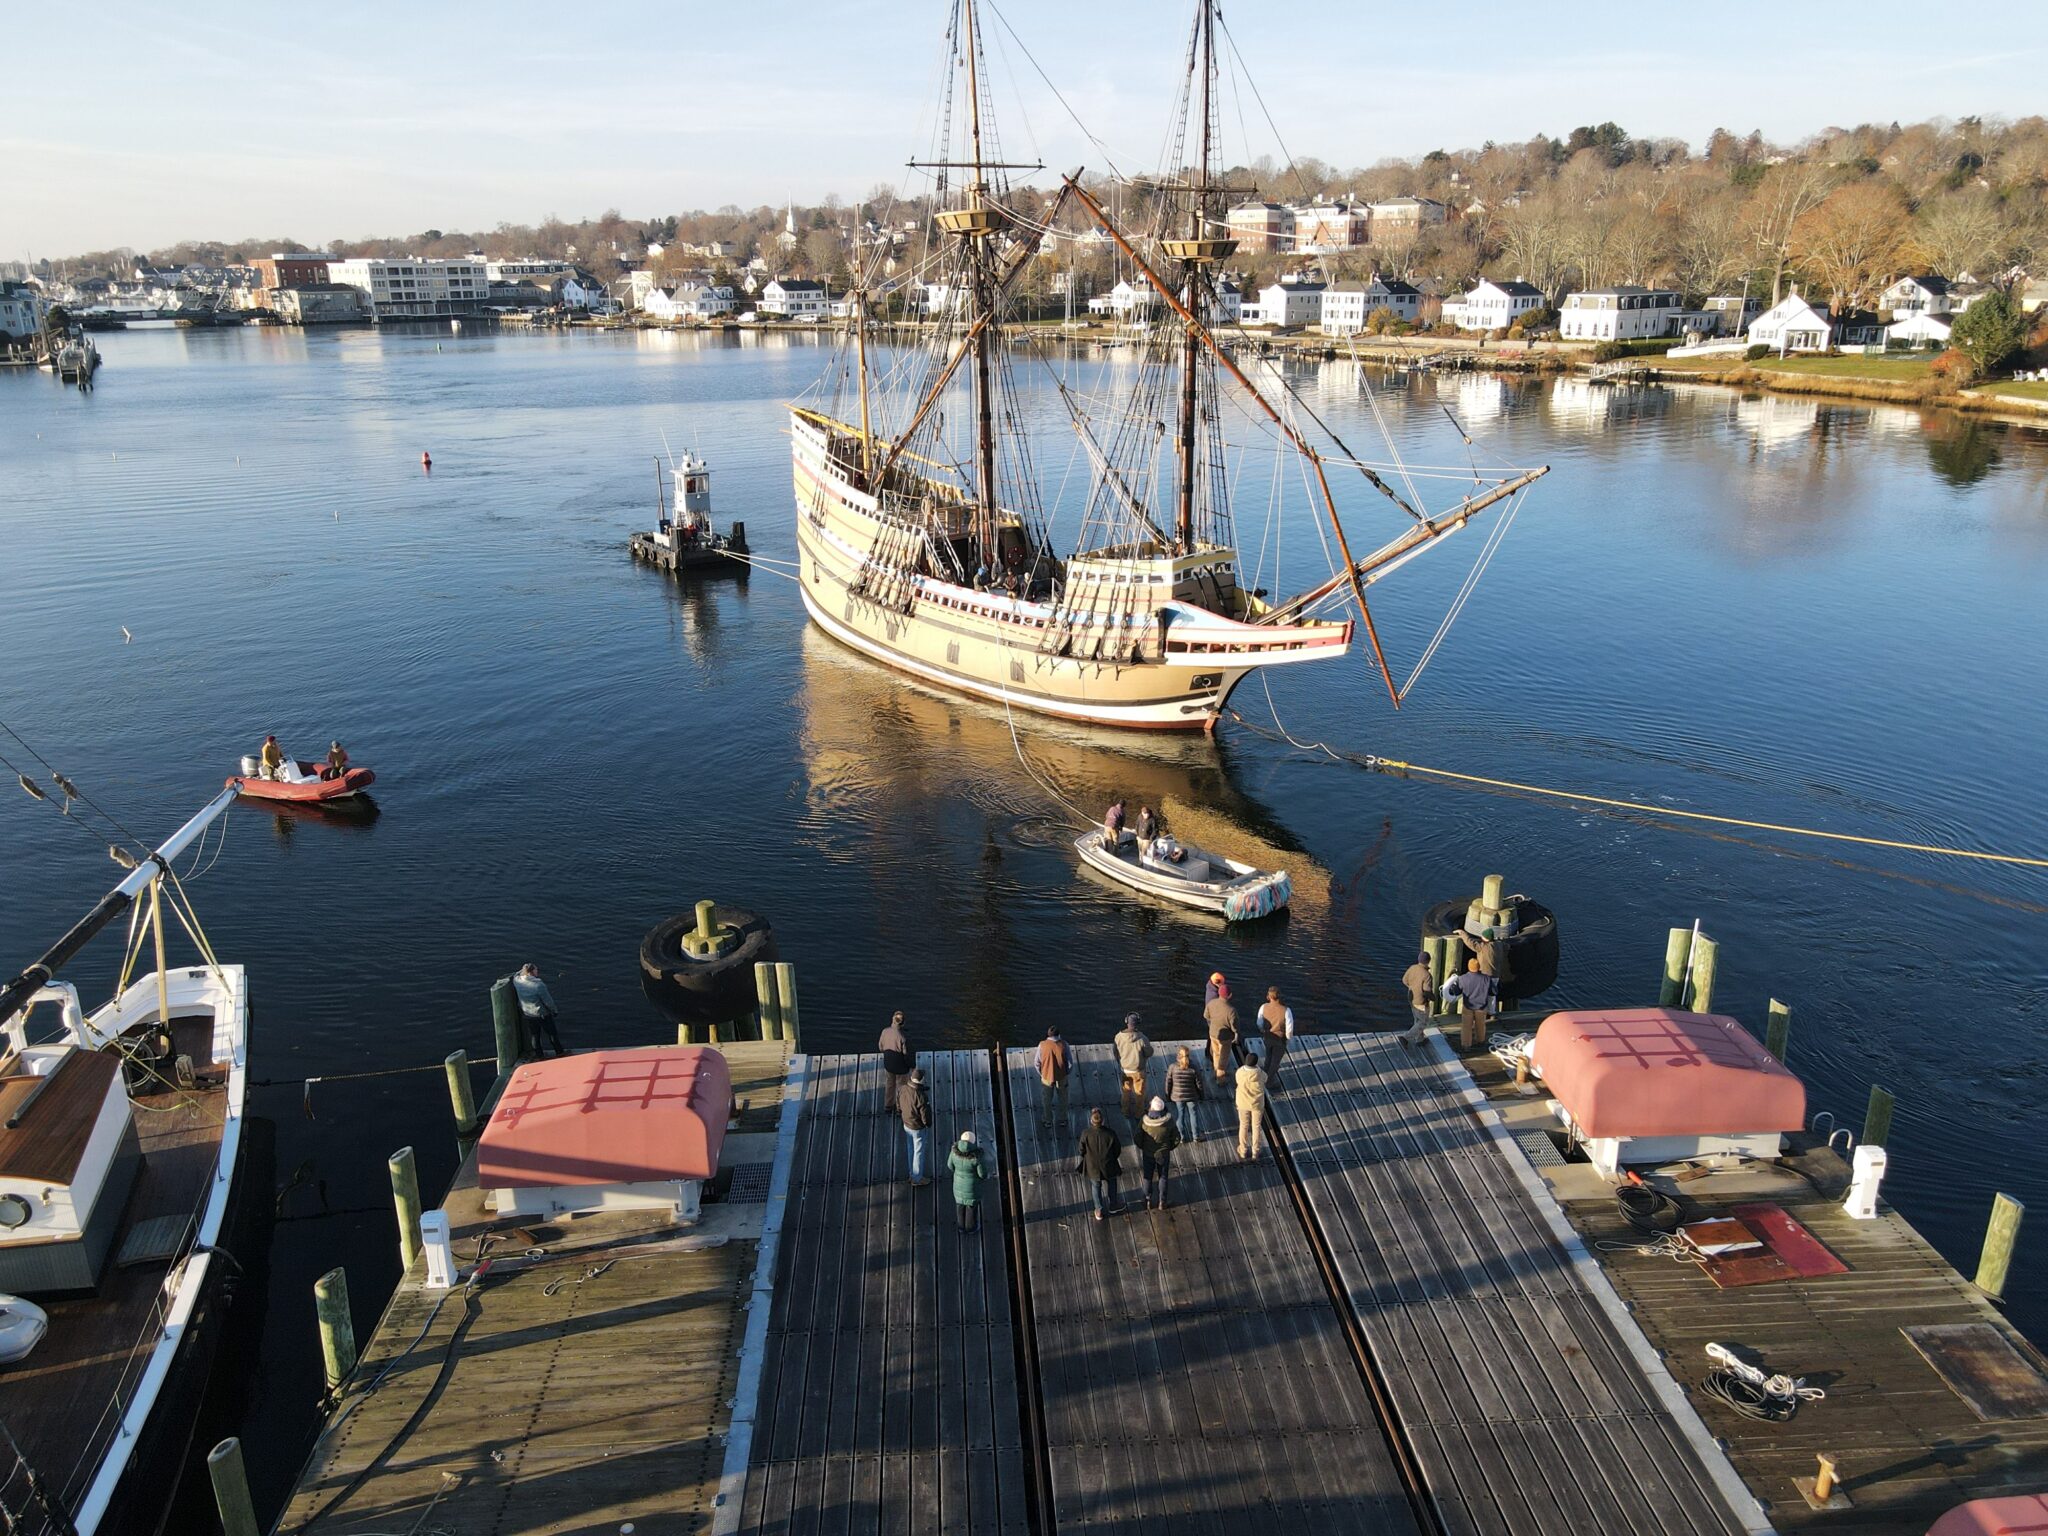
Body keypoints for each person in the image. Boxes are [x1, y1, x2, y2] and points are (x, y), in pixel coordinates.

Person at [1076, 1108, 1124, 1221]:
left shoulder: (1085, 1133)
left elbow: (1081, 1150)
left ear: (1091, 1121)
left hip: (1092, 1166)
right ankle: (1113, 1205)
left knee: (1096, 1186)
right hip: (1108, 1164)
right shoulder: (1110, 1133)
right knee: (1112, 1183)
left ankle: (1099, 1210)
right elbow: (1117, 1149)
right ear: (1102, 1121)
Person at [1134, 1097, 1182, 1210]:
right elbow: (1176, 1138)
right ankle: (1162, 1202)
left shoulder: (1144, 1121)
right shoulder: (1169, 1121)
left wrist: (1143, 1147)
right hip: (1163, 1154)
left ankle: (1147, 1200)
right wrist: (1169, 1147)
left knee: (1147, 1177)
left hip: (1148, 1154)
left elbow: (1137, 1137)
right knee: (1163, 1177)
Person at [1443, 960, 1498, 1051]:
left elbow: (1456, 991)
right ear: (1479, 967)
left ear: (1469, 967)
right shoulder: (1486, 979)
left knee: (1466, 1026)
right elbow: (1494, 992)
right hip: (1481, 1007)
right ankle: (1480, 1041)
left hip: (1468, 1006)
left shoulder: (1462, 978)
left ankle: (1466, 1045)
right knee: (1480, 1025)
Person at [512, 964, 565, 1056]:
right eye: (536, 970)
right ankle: (559, 1052)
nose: (538, 971)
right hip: (542, 1014)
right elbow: (548, 1001)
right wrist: (554, 1011)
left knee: (535, 1036)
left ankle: (539, 1055)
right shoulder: (538, 985)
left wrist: (523, 969)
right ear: (531, 972)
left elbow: (517, 974)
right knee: (552, 1034)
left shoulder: (517, 981)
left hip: (528, 1014)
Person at [947, 1129, 990, 1230]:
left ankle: (961, 1227)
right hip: (972, 1187)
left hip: (958, 1185)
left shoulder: (954, 1152)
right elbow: (982, 1174)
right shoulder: (976, 1157)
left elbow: (950, 1166)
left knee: (960, 1205)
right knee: (971, 1208)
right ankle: (970, 1228)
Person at [1113, 1013, 1153, 1121]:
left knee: (1126, 1091)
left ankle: (1125, 1111)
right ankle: (1138, 1114)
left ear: (1126, 1022)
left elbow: (1115, 1052)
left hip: (1125, 1070)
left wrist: (1120, 1062)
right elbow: (1149, 1052)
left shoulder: (1118, 1037)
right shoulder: (1142, 1038)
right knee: (1139, 1093)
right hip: (1138, 1070)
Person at [1036, 1024, 1073, 1132]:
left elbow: (1036, 1062)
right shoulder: (1064, 1044)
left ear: (1048, 1034)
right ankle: (1063, 1119)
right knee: (1063, 1098)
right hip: (1061, 1076)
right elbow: (1070, 1063)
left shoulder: (1042, 1045)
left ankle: (1047, 1120)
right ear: (1058, 1034)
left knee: (1046, 1099)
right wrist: (1066, 1073)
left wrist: (1042, 1073)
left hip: (1047, 1077)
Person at [900, 1066, 934, 1186]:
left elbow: (899, 1104)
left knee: (911, 1149)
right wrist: (927, 1125)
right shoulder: (921, 1096)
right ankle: (917, 1178)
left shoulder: (903, 1088)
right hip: (917, 1127)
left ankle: (912, 1173)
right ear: (921, 1080)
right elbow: (925, 1114)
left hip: (906, 1124)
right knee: (918, 1151)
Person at [1166, 1045, 1207, 1142]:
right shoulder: (1194, 1067)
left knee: (1180, 1115)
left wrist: (1167, 1096)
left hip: (1177, 1096)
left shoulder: (1172, 1067)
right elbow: (1199, 1084)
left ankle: (1181, 1137)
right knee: (1193, 1115)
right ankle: (1196, 1136)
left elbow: (1168, 1082)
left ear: (1178, 1056)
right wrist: (1201, 1095)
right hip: (1191, 1096)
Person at [1258, 986, 1295, 1089]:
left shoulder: (1263, 1007)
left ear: (1268, 997)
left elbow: (1259, 1022)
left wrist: (1263, 1031)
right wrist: (1287, 1039)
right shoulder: (1286, 1010)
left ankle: (1264, 1074)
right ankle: (1269, 1082)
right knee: (1275, 1061)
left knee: (1268, 1056)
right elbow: (1289, 1028)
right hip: (1280, 1039)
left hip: (1268, 1037)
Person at [1235, 1054, 1269, 1162]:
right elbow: (1266, 1079)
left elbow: (1237, 1081)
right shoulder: (1260, 1074)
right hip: (1257, 1104)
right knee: (1256, 1127)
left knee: (1244, 1125)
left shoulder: (1240, 1072)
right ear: (1256, 1062)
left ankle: (1243, 1150)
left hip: (1242, 1103)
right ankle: (1255, 1151)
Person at [878, 1011, 913, 1116]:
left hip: (888, 1064)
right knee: (901, 1086)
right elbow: (906, 1054)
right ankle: (899, 1108)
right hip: (900, 1067)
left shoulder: (885, 1031)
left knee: (890, 1084)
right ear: (903, 1023)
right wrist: (911, 1065)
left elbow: (881, 1047)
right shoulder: (902, 1036)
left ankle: (888, 1106)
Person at [1203, 982, 1239, 1083]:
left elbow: (1206, 1016)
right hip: (1225, 1038)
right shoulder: (1231, 1010)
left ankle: (1216, 1070)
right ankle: (1220, 1079)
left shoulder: (1211, 1003)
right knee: (1224, 1057)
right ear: (1230, 995)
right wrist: (1236, 1033)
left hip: (1213, 1034)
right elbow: (1235, 1027)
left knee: (1216, 1053)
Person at [1399, 950, 1435, 1046]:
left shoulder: (1412, 968)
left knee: (1417, 1019)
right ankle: (1405, 1037)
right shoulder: (1427, 975)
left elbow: (1404, 980)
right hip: (1421, 1002)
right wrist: (1433, 998)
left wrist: (1412, 987)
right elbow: (1427, 992)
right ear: (1428, 961)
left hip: (1411, 998)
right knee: (1423, 1022)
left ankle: (1420, 1039)